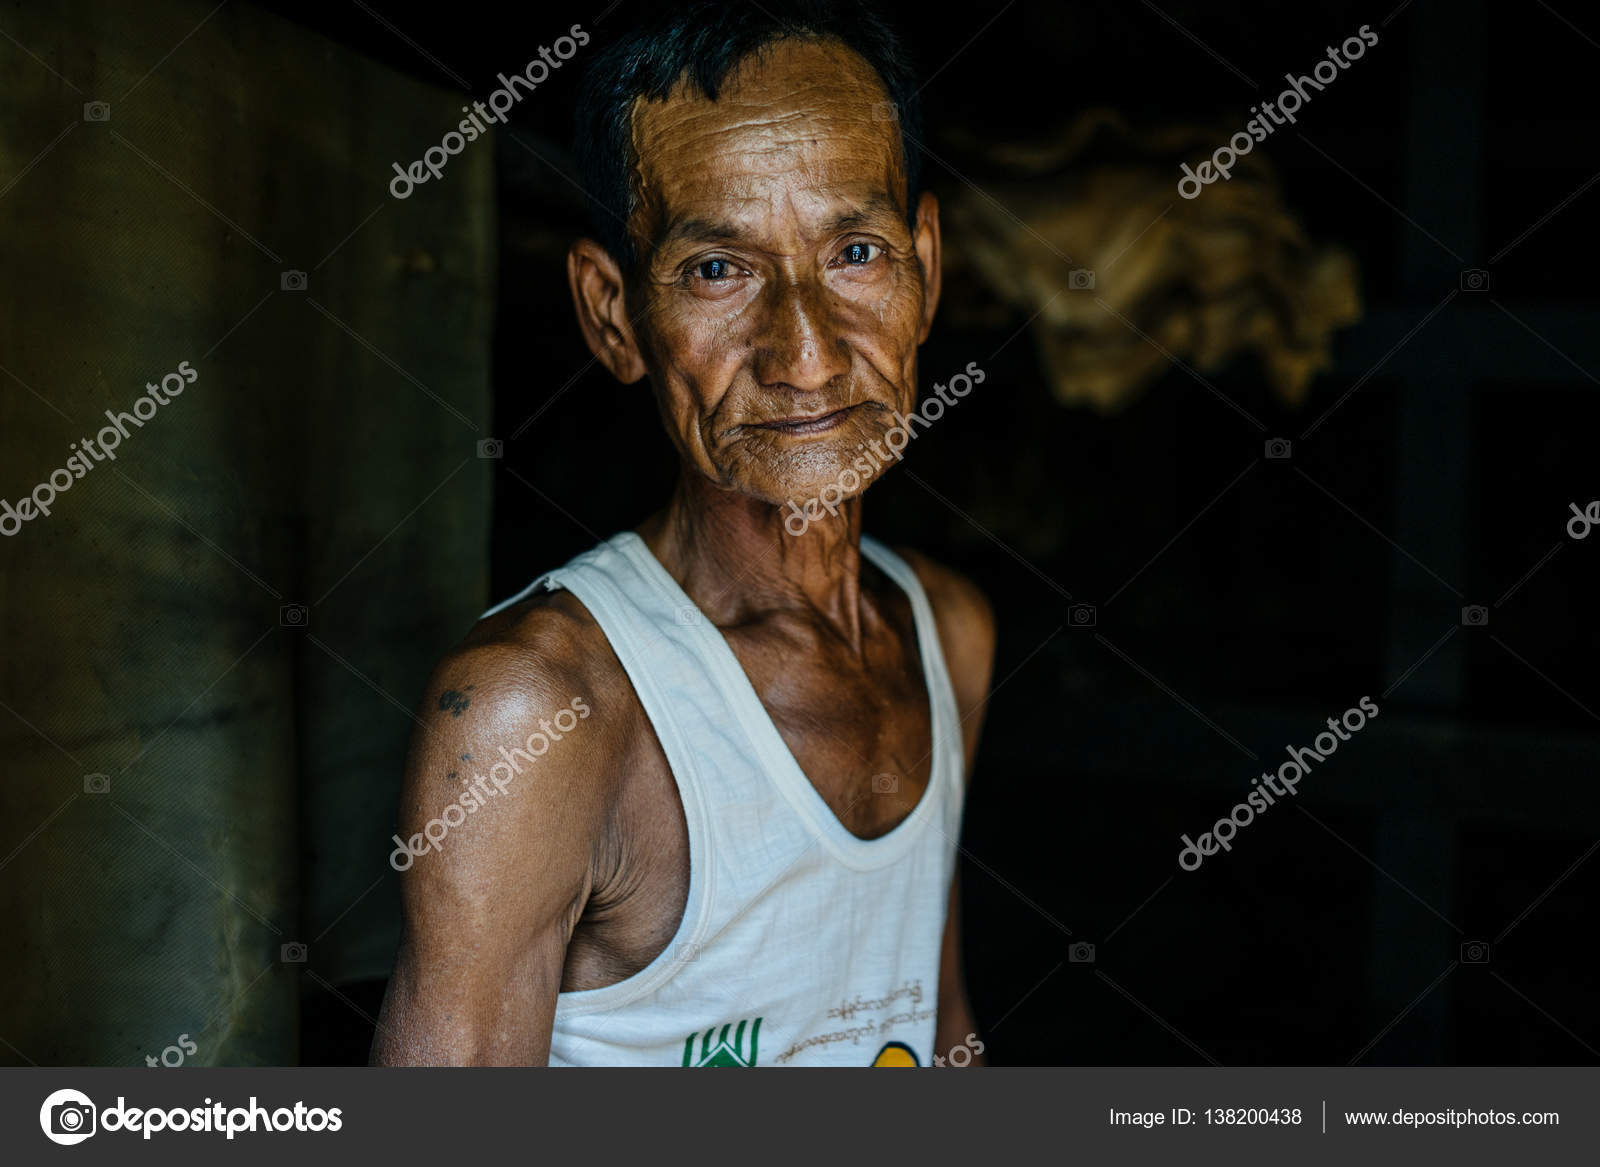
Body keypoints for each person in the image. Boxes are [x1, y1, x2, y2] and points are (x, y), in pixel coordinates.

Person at [373, 0, 995, 1067]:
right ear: (613, 315)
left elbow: (937, 1037)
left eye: (855, 251)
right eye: (719, 270)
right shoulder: (544, 716)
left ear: (924, 270)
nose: (804, 354)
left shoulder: (947, 633)